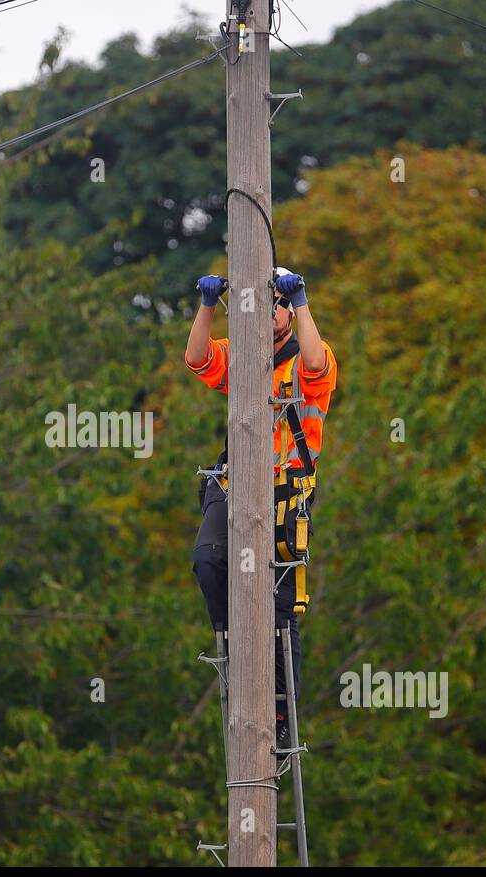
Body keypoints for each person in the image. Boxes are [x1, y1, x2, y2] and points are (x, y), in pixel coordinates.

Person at [184, 267, 337, 748]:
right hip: (235, 481)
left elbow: (315, 363)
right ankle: (231, 643)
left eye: (277, 302)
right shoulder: (244, 358)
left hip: (285, 490)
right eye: (264, 302)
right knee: (209, 559)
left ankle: (279, 709)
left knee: (279, 603)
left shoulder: (307, 357)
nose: (270, 309)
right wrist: (208, 305)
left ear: (289, 310)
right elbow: (197, 359)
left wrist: (301, 300)